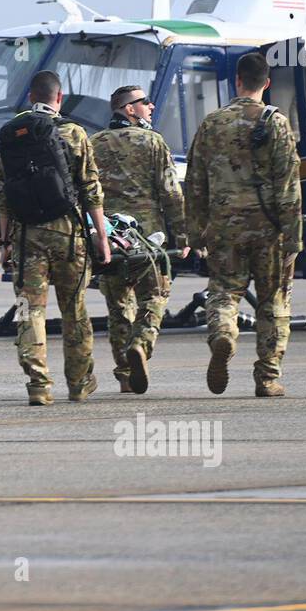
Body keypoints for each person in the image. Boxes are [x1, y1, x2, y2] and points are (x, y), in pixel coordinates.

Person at [184, 49, 302, 397]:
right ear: (265, 83)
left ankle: (223, 332)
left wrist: (195, 232)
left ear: (236, 81)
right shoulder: (277, 123)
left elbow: (194, 182)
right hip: (269, 229)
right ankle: (267, 377)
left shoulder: (212, 123)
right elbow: (289, 186)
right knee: (274, 301)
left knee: (224, 290)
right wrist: (293, 240)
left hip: (224, 227)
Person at [0, 70, 111, 404]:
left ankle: (38, 384)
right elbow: (91, 189)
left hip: (27, 235)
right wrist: (101, 237)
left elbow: (3, 194)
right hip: (69, 234)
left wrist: (4, 243)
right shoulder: (75, 134)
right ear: (59, 99)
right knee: (74, 309)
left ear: (32, 98)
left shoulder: (11, 135)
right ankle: (79, 382)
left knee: (29, 310)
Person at [88, 84, 189, 394]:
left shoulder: (94, 143)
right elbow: (171, 192)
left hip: (110, 237)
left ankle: (125, 376)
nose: (151, 106)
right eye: (145, 102)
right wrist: (184, 234)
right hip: (148, 238)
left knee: (119, 307)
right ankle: (142, 344)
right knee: (154, 297)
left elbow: (85, 192)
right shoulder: (153, 142)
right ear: (129, 109)